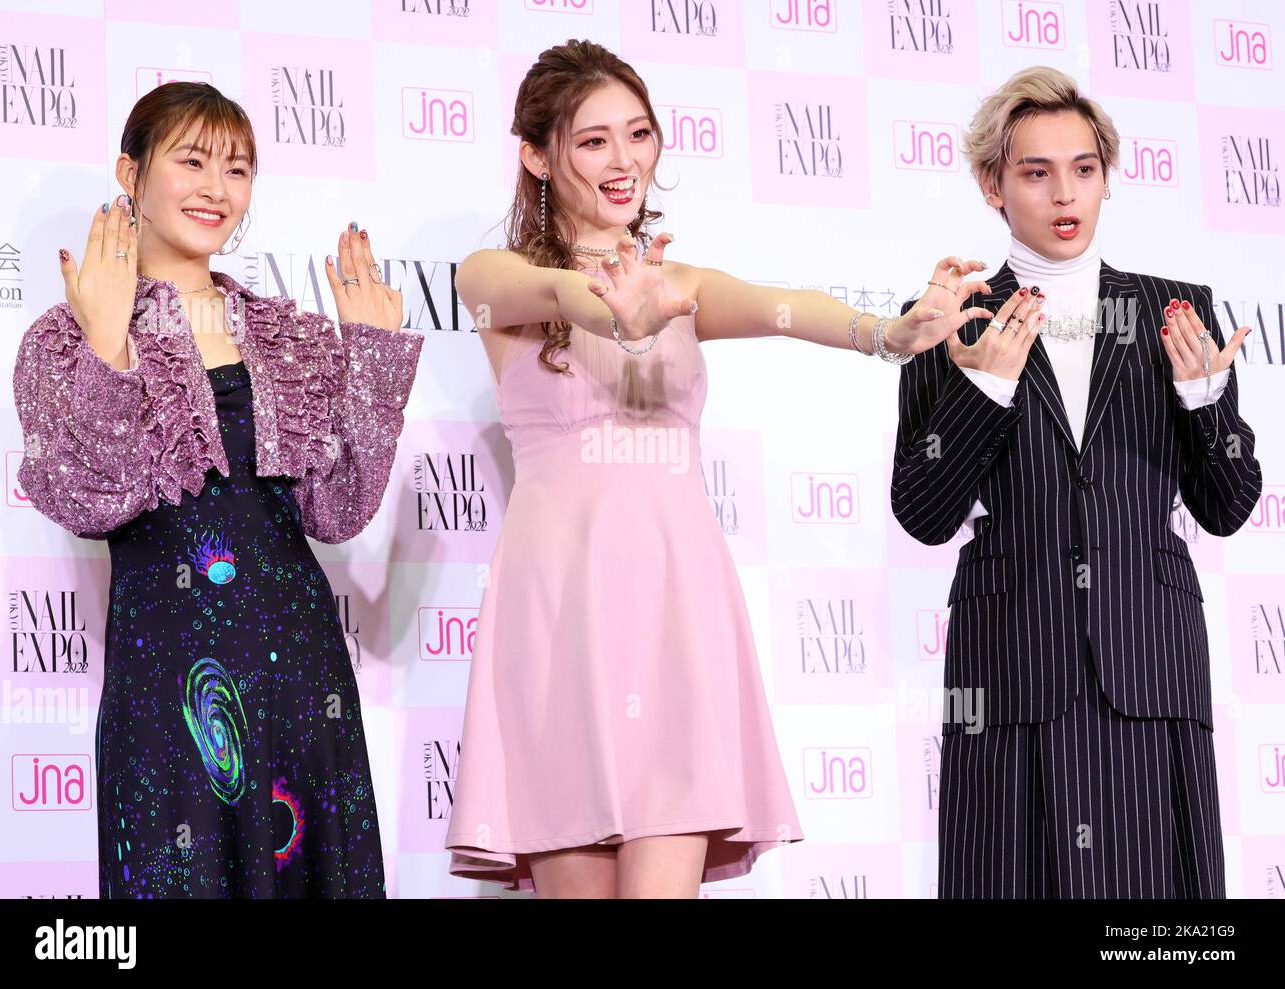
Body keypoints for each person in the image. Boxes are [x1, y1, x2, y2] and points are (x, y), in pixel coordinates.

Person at [445, 38, 996, 898]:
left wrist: (889, 334)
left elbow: (784, 309)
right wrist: (608, 306)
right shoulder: (496, 278)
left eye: (639, 134)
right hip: (555, 614)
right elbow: (539, 292)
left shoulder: (683, 285)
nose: (624, 161)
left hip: (673, 608)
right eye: (593, 141)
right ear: (536, 154)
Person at [12, 82, 423, 898]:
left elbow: (337, 513)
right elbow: (96, 498)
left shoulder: (285, 335)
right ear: (130, 172)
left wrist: (370, 362)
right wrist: (105, 340)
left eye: (236, 168)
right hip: (167, 680)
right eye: (192, 161)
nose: (216, 188)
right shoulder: (61, 339)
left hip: (300, 677)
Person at [891, 66, 1261, 898]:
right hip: (1011, 669)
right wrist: (982, 388)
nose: (1066, 193)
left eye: (1084, 169)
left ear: (1105, 177)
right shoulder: (950, 315)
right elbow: (920, 510)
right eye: (1036, 171)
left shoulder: (1178, 309)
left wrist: (1205, 401)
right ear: (992, 184)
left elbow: (1230, 507)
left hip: (1149, 668)